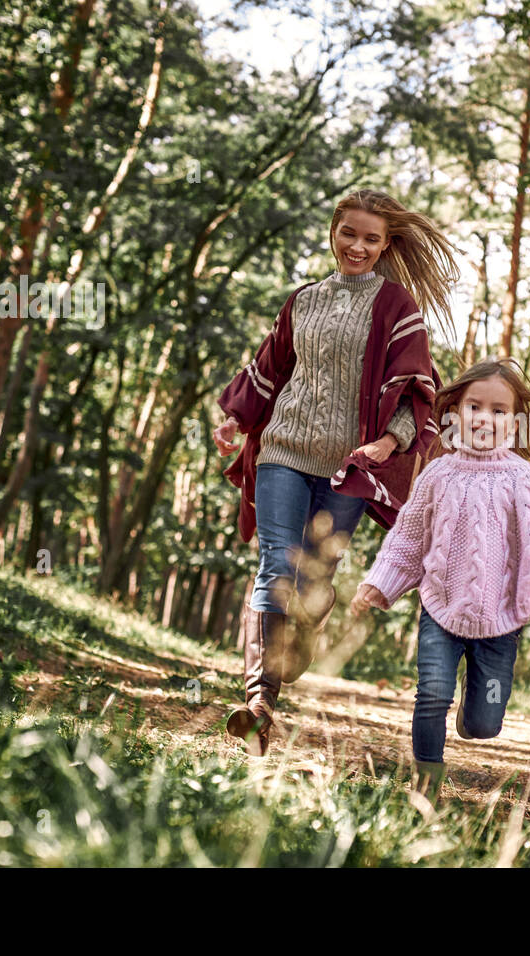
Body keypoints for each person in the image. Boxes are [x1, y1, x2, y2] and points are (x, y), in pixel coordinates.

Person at [213, 188, 458, 757]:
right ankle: (259, 701)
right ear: (334, 231)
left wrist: (389, 441)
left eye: (371, 238)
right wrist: (234, 416)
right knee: (276, 559)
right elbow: (270, 368)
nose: (358, 246)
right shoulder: (302, 300)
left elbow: (415, 387)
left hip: (350, 464)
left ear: (385, 244)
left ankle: (305, 630)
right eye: (349, 233)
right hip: (284, 449)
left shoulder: (397, 307)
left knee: (317, 574)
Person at [350, 358, 530, 802]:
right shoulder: (438, 475)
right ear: (455, 414)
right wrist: (378, 585)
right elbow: (409, 540)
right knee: (432, 694)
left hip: (501, 623)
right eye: (474, 407)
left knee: (485, 723)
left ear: (516, 423)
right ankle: (426, 786)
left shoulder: (523, 480)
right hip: (440, 609)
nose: (485, 418)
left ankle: (474, 713)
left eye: (499, 411)